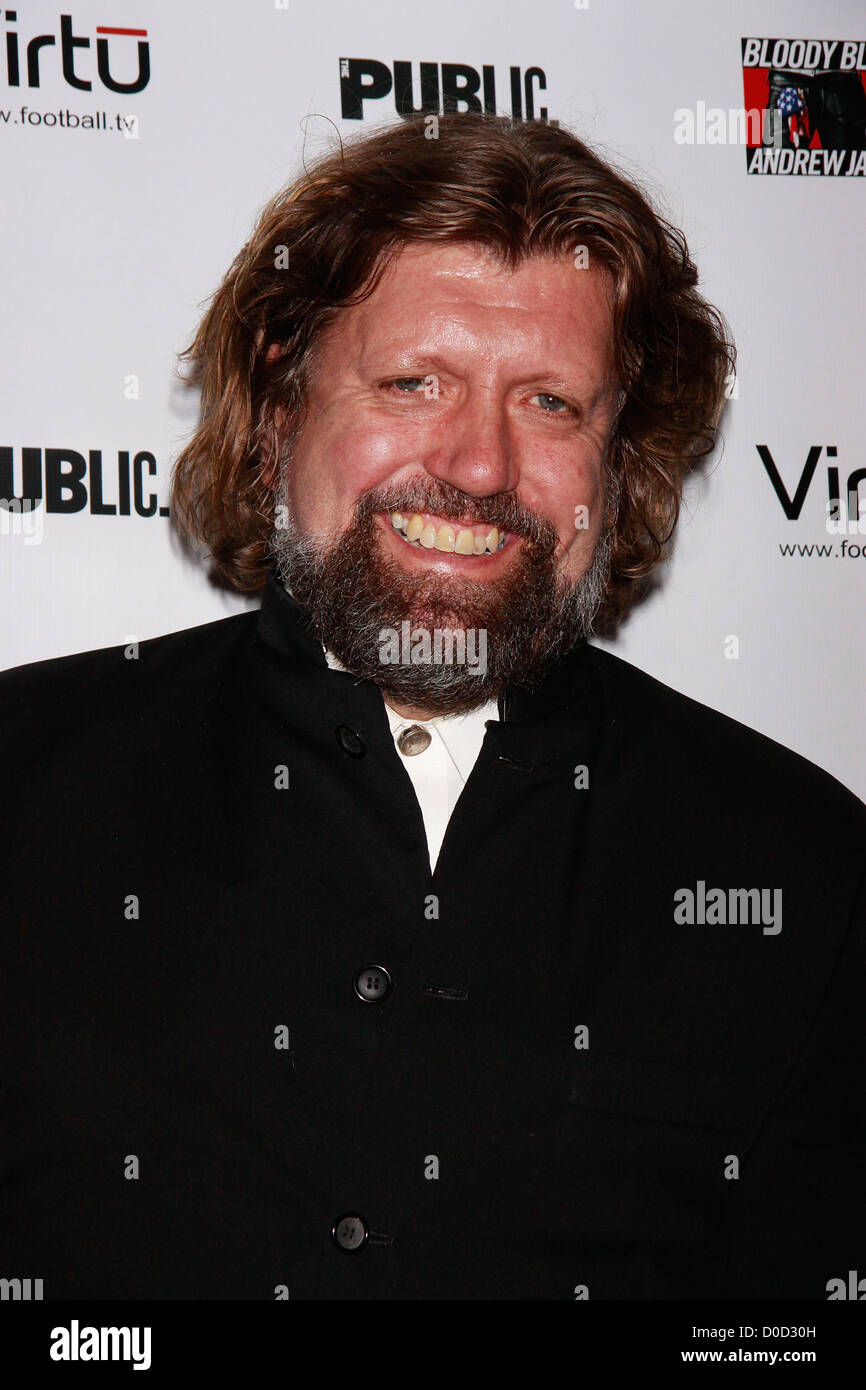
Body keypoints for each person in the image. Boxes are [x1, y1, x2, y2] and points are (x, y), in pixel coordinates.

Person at [1, 114, 863, 1301]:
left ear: (619, 467)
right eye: (414, 382)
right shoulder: (26, 780)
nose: (476, 465)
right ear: (273, 417)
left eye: (552, 404)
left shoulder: (799, 865)